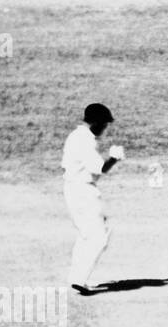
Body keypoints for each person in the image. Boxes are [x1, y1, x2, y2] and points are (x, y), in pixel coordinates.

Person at [62, 103, 125, 294]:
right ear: (96, 122)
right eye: (104, 124)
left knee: (86, 235)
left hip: (74, 189)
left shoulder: (77, 136)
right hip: (83, 192)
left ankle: (77, 277)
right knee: (99, 237)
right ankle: (79, 280)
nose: (105, 129)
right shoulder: (84, 140)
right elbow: (100, 168)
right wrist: (114, 158)